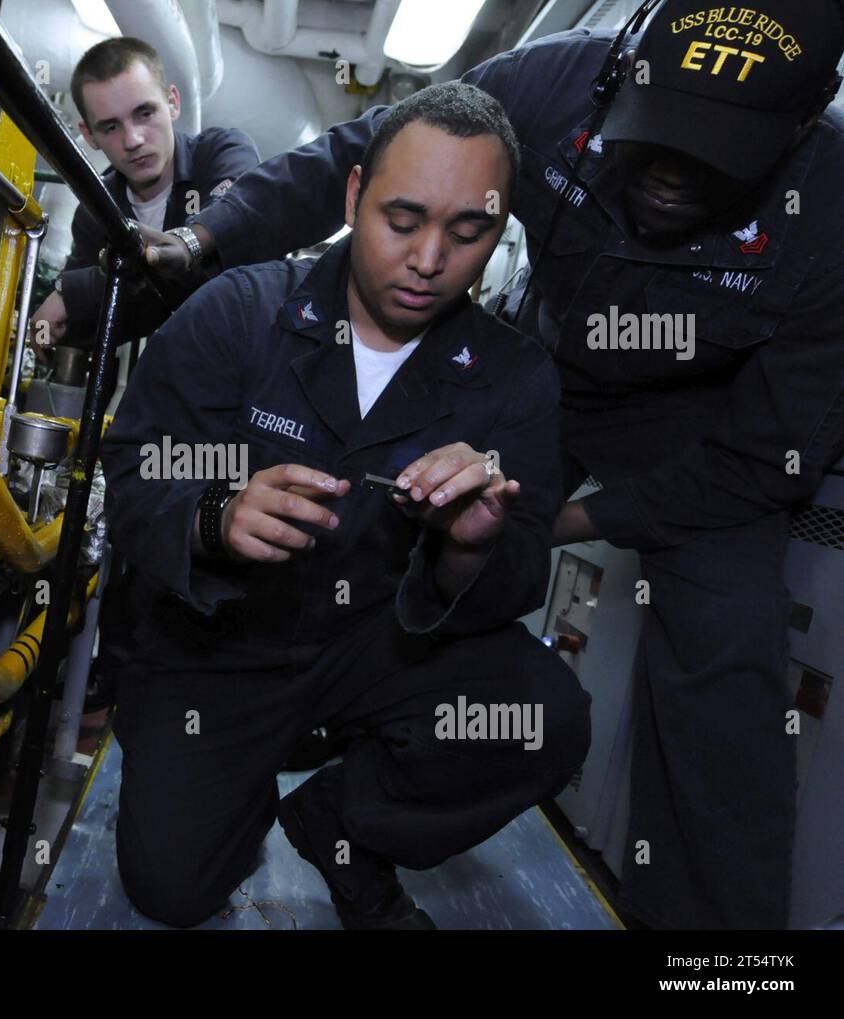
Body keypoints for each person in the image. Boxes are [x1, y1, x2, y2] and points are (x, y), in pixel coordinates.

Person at [140, 0, 844, 930]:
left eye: (713, 156)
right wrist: (207, 236)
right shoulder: (555, 81)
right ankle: (316, 713)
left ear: (799, 129)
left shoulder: (829, 213)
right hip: (544, 362)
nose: (671, 176)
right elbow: (376, 147)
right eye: (658, 135)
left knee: (728, 641)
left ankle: (720, 957)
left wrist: (546, 522)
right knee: (411, 529)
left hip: (690, 421)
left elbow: (765, 461)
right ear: (624, 70)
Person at [99, 83, 591, 930]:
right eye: (403, 219)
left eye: (467, 233)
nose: (429, 258)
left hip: (380, 640)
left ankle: (341, 821)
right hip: (222, 644)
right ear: (355, 194)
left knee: (540, 717)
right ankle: (233, 785)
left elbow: (516, 581)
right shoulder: (239, 314)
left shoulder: (517, 379)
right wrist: (216, 516)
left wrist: (470, 546)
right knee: (171, 889)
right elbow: (138, 472)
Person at [28, 36, 258, 353]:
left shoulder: (222, 154)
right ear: (89, 136)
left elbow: (224, 237)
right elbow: (96, 324)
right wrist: (59, 323)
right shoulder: (95, 213)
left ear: (172, 102)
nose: (133, 140)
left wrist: (72, 291)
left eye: (145, 113)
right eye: (111, 127)